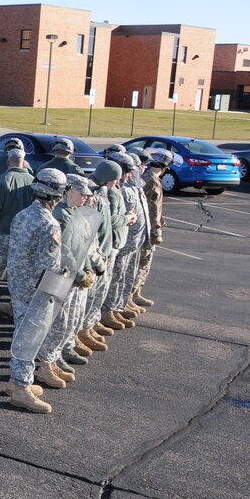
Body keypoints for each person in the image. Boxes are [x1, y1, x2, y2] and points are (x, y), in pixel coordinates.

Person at [5, 168, 68, 414]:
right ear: (57, 195)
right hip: (36, 290)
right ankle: (21, 389)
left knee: (21, 333)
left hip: (18, 284)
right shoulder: (49, 223)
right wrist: (54, 296)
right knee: (29, 338)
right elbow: (50, 267)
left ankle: (14, 382)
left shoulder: (22, 215)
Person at [34, 173, 97, 388]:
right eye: (82, 194)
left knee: (68, 320)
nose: (86, 199)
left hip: (72, 275)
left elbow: (82, 246)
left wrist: (87, 268)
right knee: (57, 322)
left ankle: (53, 358)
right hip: (61, 276)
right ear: (69, 191)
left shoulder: (73, 212)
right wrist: (80, 274)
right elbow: (65, 250)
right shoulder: (62, 215)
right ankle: (45, 364)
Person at [0, 147, 36, 319]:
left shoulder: (2, 180)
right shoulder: (32, 181)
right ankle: (14, 306)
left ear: (8, 161)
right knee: (20, 273)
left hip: (2, 233)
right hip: (24, 236)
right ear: (24, 161)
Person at [75, 160, 124, 355]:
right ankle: (80, 331)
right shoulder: (92, 194)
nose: (117, 183)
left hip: (103, 250)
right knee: (88, 297)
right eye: (115, 179)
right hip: (95, 254)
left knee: (97, 294)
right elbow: (90, 231)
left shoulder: (101, 192)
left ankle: (88, 326)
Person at [101, 151, 146, 332]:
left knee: (121, 277)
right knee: (111, 280)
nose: (129, 175)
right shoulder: (113, 191)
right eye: (126, 171)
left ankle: (115, 307)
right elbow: (113, 219)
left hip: (128, 241)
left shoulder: (128, 187)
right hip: (117, 244)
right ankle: (106, 311)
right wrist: (128, 219)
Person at [133, 148, 169, 306]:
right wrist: (157, 231)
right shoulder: (153, 181)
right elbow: (153, 208)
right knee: (143, 262)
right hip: (147, 229)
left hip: (143, 226)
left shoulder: (145, 177)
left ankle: (134, 294)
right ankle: (133, 294)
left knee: (141, 261)